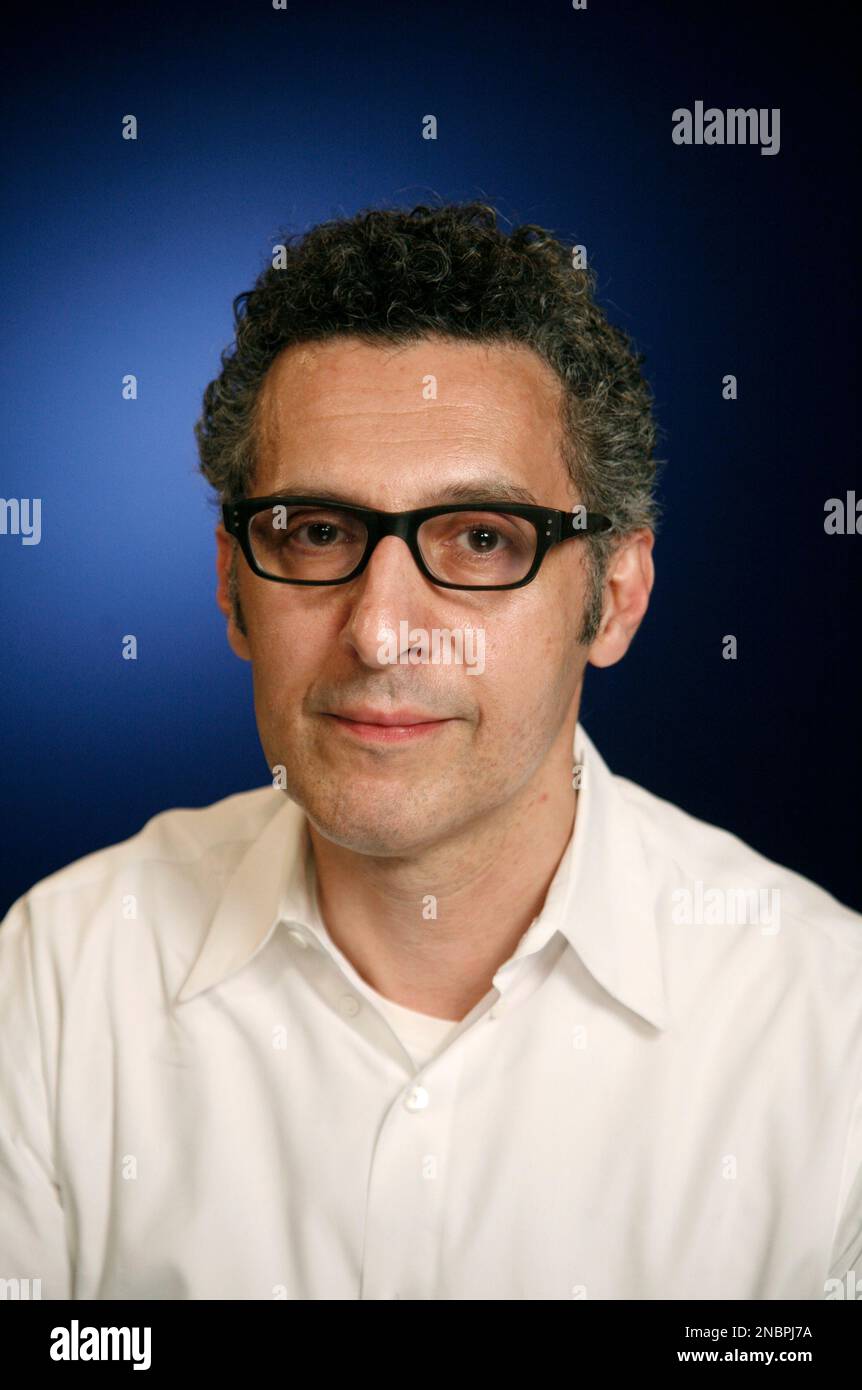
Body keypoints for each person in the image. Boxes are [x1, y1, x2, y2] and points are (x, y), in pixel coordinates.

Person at [1, 203, 859, 1301]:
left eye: (481, 540)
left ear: (617, 597)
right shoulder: (62, 977)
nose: (380, 630)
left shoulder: (831, 1034)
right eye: (316, 531)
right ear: (230, 585)